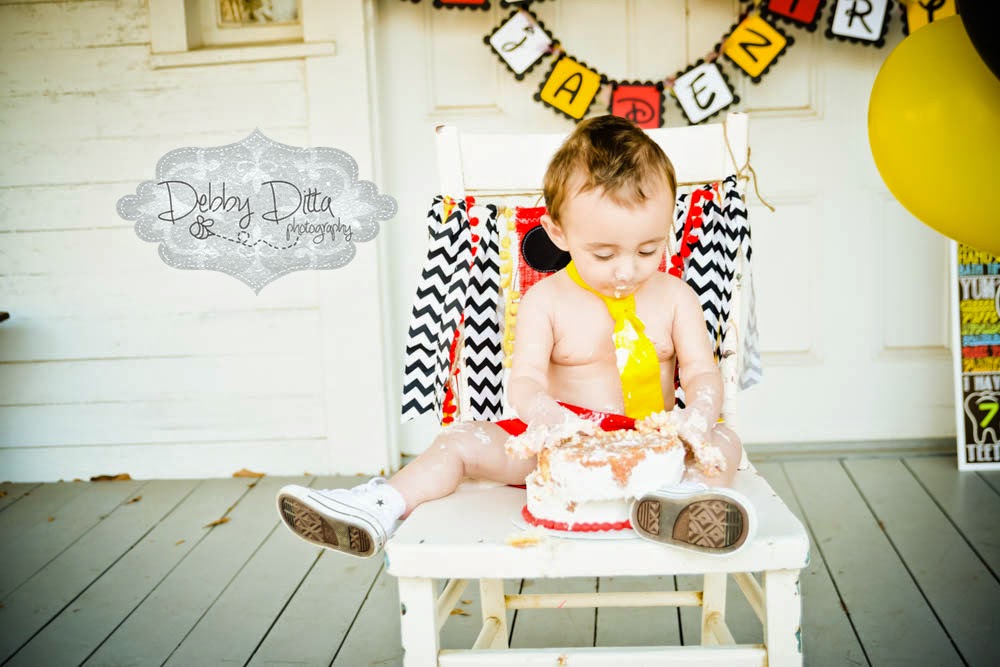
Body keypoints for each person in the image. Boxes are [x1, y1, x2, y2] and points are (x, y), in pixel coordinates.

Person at [276, 114, 753, 558]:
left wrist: (700, 415)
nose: (627, 270)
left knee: (725, 440)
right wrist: (548, 419)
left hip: (657, 449)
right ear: (559, 232)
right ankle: (381, 506)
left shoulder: (675, 296)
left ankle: (686, 500)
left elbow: (699, 371)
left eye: (648, 249)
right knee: (460, 440)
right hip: (559, 446)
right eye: (603, 254)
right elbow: (524, 381)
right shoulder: (547, 301)